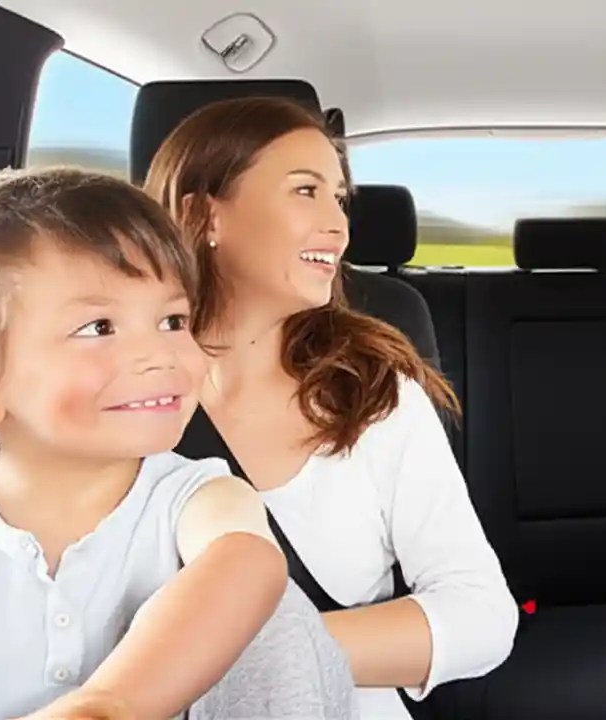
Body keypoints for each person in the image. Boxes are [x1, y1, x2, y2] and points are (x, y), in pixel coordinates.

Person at [144, 96, 518, 719]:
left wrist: (246, 656)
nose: (338, 226)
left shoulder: (374, 394)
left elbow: (481, 613)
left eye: (339, 199)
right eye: (304, 191)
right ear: (202, 215)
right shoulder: (117, 400)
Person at [0, 167, 351, 719]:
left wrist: (107, 706)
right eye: (99, 327)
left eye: (172, 320)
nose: (161, 354)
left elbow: (246, 562)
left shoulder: (194, 497)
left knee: (277, 615)